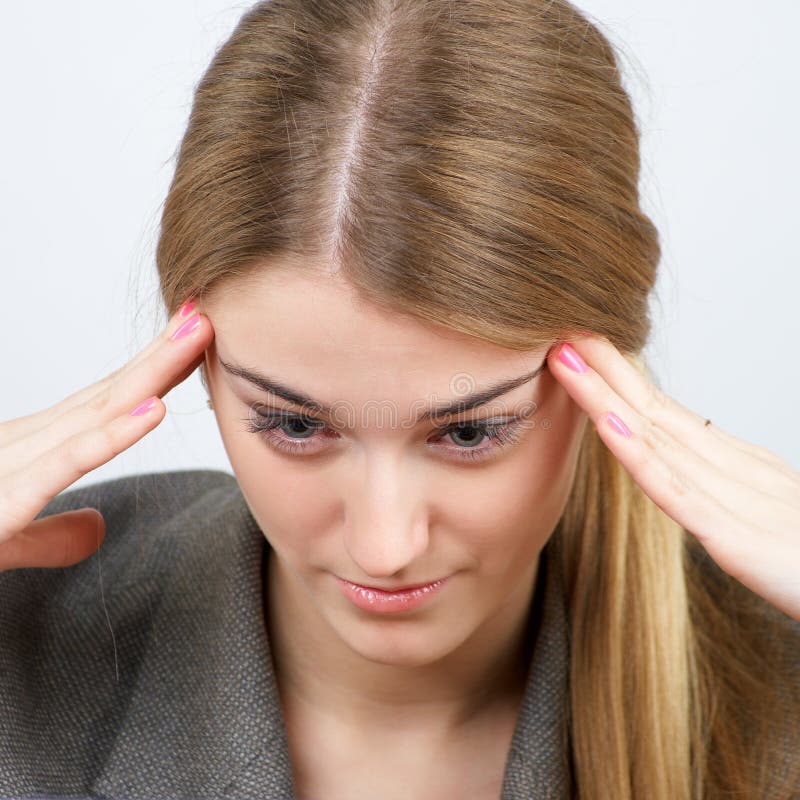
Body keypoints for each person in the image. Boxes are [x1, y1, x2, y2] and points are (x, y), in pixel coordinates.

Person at [1, 0, 798, 798]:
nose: (384, 547)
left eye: (471, 433)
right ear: (198, 363)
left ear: (606, 363)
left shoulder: (781, 688)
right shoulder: (21, 646)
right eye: (294, 423)